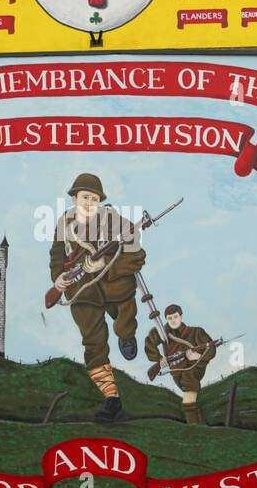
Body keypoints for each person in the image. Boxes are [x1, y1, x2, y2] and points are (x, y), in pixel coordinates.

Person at [48, 173, 145, 423]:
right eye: (84, 197)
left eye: (94, 198)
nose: (89, 202)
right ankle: (112, 399)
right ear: (74, 198)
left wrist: (105, 264)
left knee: (125, 319)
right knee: (93, 344)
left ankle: (126, 335)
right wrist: (58, 278)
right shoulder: (64, 223)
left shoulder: (116, 222)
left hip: (116, 287)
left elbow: (137, 257)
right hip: (82, 292)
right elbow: (57, 254)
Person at [144, 304, 216, 424]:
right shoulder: (163, 332)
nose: (173, 320)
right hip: (175, 371)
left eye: (175, 317)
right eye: (170, 318)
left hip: (193, 368)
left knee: (188, 397)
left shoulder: (195, 332)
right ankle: (200, 428)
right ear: (166, 319)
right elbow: (149, 342)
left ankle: (194, 428)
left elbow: (211, 348)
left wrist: (198, 356)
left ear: (181, 316)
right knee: (190, 399)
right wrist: (159, 358)